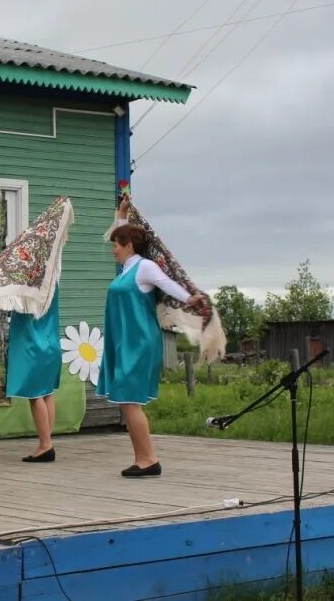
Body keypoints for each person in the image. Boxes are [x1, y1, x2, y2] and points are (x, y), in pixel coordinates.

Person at [96, 195, 203, 477]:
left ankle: (148, 459)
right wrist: (122, 214)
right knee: (125, 401)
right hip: (126, 340)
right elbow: (124, 235)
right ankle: (143, 458)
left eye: (116, 245)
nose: (113, 250)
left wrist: (190, 299)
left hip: (139, 341)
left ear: (129, 247)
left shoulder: (145, 267)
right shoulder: (129, 269)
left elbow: (167, 284)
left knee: (130, 401)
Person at [7, 289, 62, 463]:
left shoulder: (27, 277)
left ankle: (45, 445)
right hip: (50, 340)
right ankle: (46, 442)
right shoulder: (52, 275)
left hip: (32, 340)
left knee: (35, 394)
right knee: (47, 392)